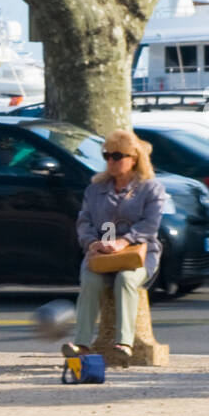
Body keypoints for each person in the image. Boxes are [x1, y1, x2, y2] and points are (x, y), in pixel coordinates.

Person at [63, 128, 165, 363]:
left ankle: (124, 343)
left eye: (117, 156)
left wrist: (124, 241)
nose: (111, 161)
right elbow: (84, 221)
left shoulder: (150, 188)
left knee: (126, 280)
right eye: (107, 155)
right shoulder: (95, 188)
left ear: (134, 158)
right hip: (102, 252)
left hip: (138, 253)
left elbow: (151, 224)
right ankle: (82, 344)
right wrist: (92, 243)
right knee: (90, 279)